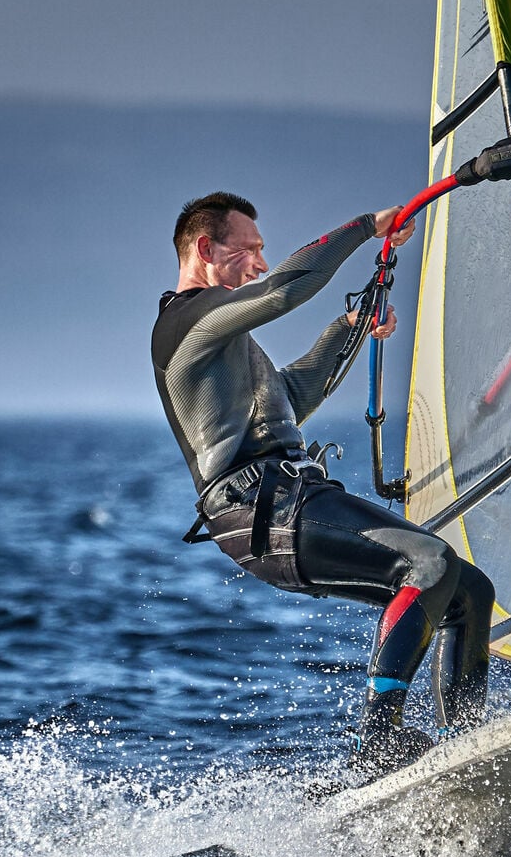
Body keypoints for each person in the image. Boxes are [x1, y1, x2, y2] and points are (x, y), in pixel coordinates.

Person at [151, 191, 493, 777]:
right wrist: (366, 226)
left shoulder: (223, 340)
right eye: (250, 250)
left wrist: (349, 326)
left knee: (468, 592)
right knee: (429, 563)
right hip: (261, 511)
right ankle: (379, 744)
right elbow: (286, 290)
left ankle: (462, 749)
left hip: (290, 501)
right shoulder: (186, 322)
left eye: (264, 252)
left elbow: (293, 398)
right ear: (205, 249)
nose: (261, 263)